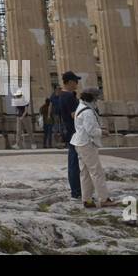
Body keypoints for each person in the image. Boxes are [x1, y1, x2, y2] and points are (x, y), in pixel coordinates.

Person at [71, 89, 115, 208]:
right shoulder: (88, 112)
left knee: (85, 172)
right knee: (97, 172)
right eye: (96, 99)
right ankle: (104, 198)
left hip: (79, 143)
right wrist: (103, 132)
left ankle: (87, 199)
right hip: (87, 144)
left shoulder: (81, 107)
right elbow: (91, 130)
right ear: (92, 98)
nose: (97, 101)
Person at [57, 71, 81, 199]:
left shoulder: (62, 96)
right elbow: (74, 115)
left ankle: (77, 190)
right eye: (76, 81)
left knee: (74, 161)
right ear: (70, 81)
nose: (77, 83)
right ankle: (76, 191)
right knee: (74, 162)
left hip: (70, 131)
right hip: (74, 131)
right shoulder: (69, 96)